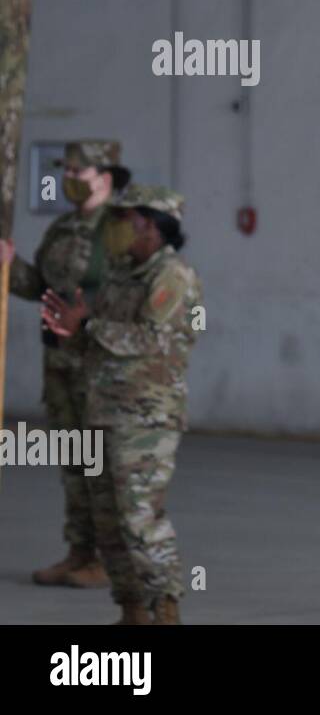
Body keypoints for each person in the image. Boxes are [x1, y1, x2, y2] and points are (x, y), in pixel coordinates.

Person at [42, 185, 202, 625]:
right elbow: (102, 345)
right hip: (101, 410)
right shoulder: (119, 273)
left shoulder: (172, 275)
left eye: (124, 219)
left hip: (145, 418)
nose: (114, 228)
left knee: (140, 519)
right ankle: (132, 610)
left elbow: (154, 341)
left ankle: (165, 609)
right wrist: (71, 334)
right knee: (108, 522)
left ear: (150, 224)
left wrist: (90, 324)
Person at [1, 139, 130, 588]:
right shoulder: (62, 229)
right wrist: (9, 265)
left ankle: (105, 559)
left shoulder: (120, 230)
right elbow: (40, 285)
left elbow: (133, 295)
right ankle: (78, 552)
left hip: (97, 363)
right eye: (68, 174)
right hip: (58, 361)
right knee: (74, 463)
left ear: (106, 177)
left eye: (80, 174)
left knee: (100, 464)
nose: (70, 181)